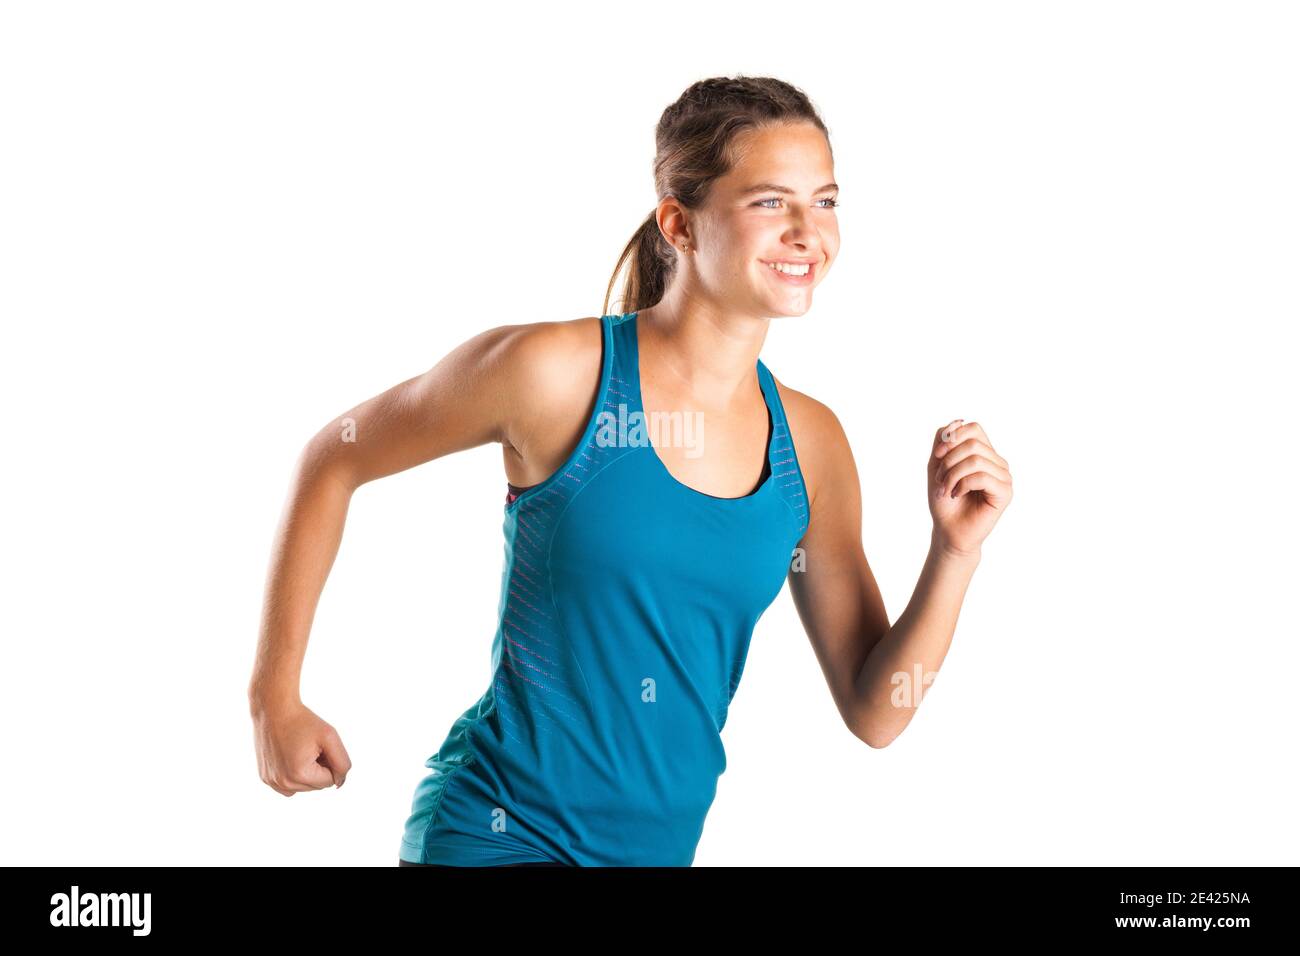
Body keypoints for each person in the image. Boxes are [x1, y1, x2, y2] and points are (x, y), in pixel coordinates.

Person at [247, 74, 1013, 867]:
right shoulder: (554, 374)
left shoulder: (811, 443)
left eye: (824, 202)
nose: (806, 232)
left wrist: (955, 552)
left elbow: (875, 709)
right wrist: (274, 699)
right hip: (498, 834)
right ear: (679, 225)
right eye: (769, 202)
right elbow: (334, 457)